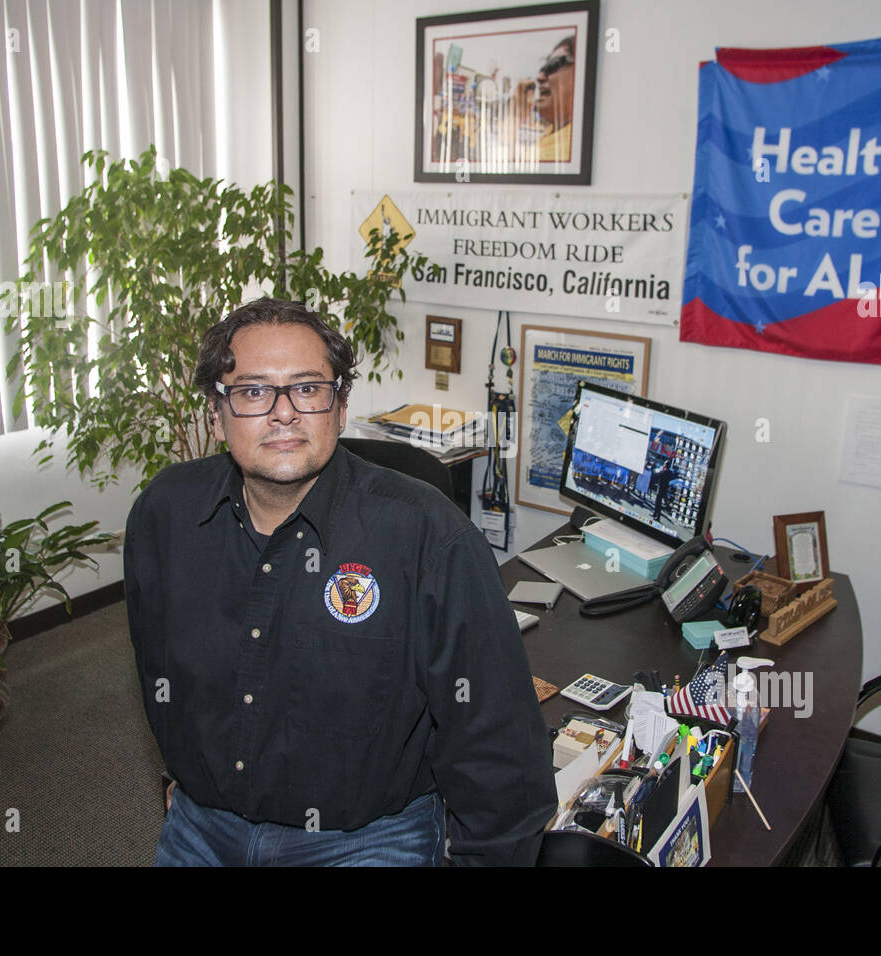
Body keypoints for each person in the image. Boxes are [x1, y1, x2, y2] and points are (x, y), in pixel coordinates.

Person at [124, 297, 557, 866]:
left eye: (307, 388)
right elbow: (161, 678)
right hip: (204, 823)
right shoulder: (166, 514)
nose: (284, 413)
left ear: (340, 404)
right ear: (216, 412)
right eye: (254, 391)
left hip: (365, 839)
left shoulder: (428, 535)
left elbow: (497, 745)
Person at [535, 36, 576, 162]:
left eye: (552, 66)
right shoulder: (552, 133)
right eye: (542, 69)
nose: (540, 77)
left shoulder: (568, 149)